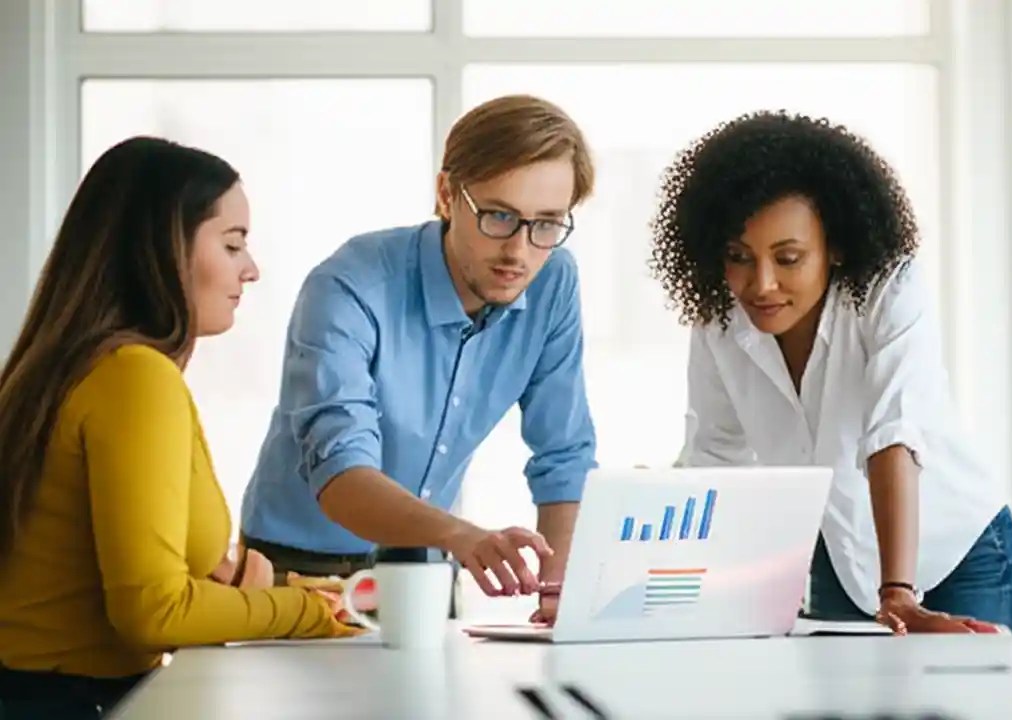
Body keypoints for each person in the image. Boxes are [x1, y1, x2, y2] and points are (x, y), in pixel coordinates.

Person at [0, 136, 353, 720]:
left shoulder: (71, 369)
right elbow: (153, 613)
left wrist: (246, 582)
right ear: (161, 250)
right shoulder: (136, 378)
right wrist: (303, 611)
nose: (252, 269)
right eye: (232, 243)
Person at [652, 111, 1012, 634]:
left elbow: (893, 432)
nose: (761, 284)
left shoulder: (887, 290)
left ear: (836, 247)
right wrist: (655, 564)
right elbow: (715, 456)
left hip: (958, 554)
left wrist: (898, 594)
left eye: (788, 258)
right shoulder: (719, 319)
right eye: (738, 256)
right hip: (840, 552)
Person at [238, 94, 597, 624]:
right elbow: (341, 472)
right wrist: (462, 536)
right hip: (296, 568)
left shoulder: (553, 281)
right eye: (499, 216)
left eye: (546, 223)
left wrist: (560, 594)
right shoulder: (350, 286)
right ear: (447, 195)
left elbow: (564, 454)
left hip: (427, 568)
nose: (520, 252)